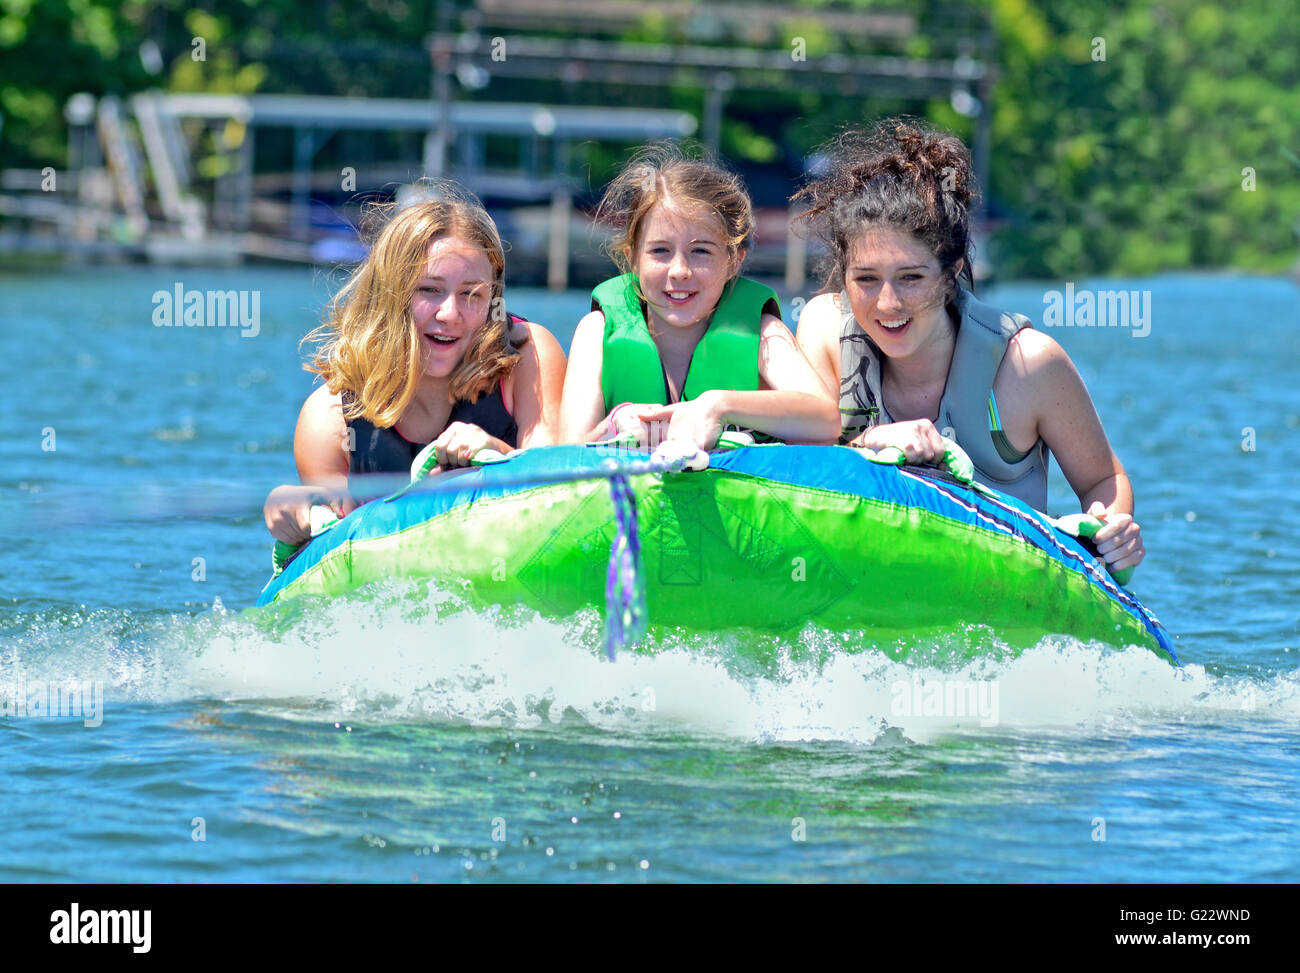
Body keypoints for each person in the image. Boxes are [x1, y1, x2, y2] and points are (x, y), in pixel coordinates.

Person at [793, 119, 1144, 574]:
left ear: (952, 271)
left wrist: (1113, 526)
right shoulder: (824, 329)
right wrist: (866, 443)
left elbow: (1103, 478)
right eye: (865, 279)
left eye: (911, 278)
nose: (887, 303)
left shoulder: (1028, 364)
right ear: (843, 276)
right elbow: (796, 466)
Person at [264, 186, 567, 546]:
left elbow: (555, 482)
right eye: (429, 289)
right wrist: (296, 512)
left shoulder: (526, 355)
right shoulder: (330, 420)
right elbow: (334, 549)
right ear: (390, 292)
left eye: (473, 294)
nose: (450, 314)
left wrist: (499, 456)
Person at [559, 144, 839, 450]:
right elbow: (568, 451)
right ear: (633, 259)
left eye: (700, 251)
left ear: (734, 261)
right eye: (660, 251)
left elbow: (826, 421)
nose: (679, 270)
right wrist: (615, 424)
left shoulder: (762, 332)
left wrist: (719, 405)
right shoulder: (597, 331)